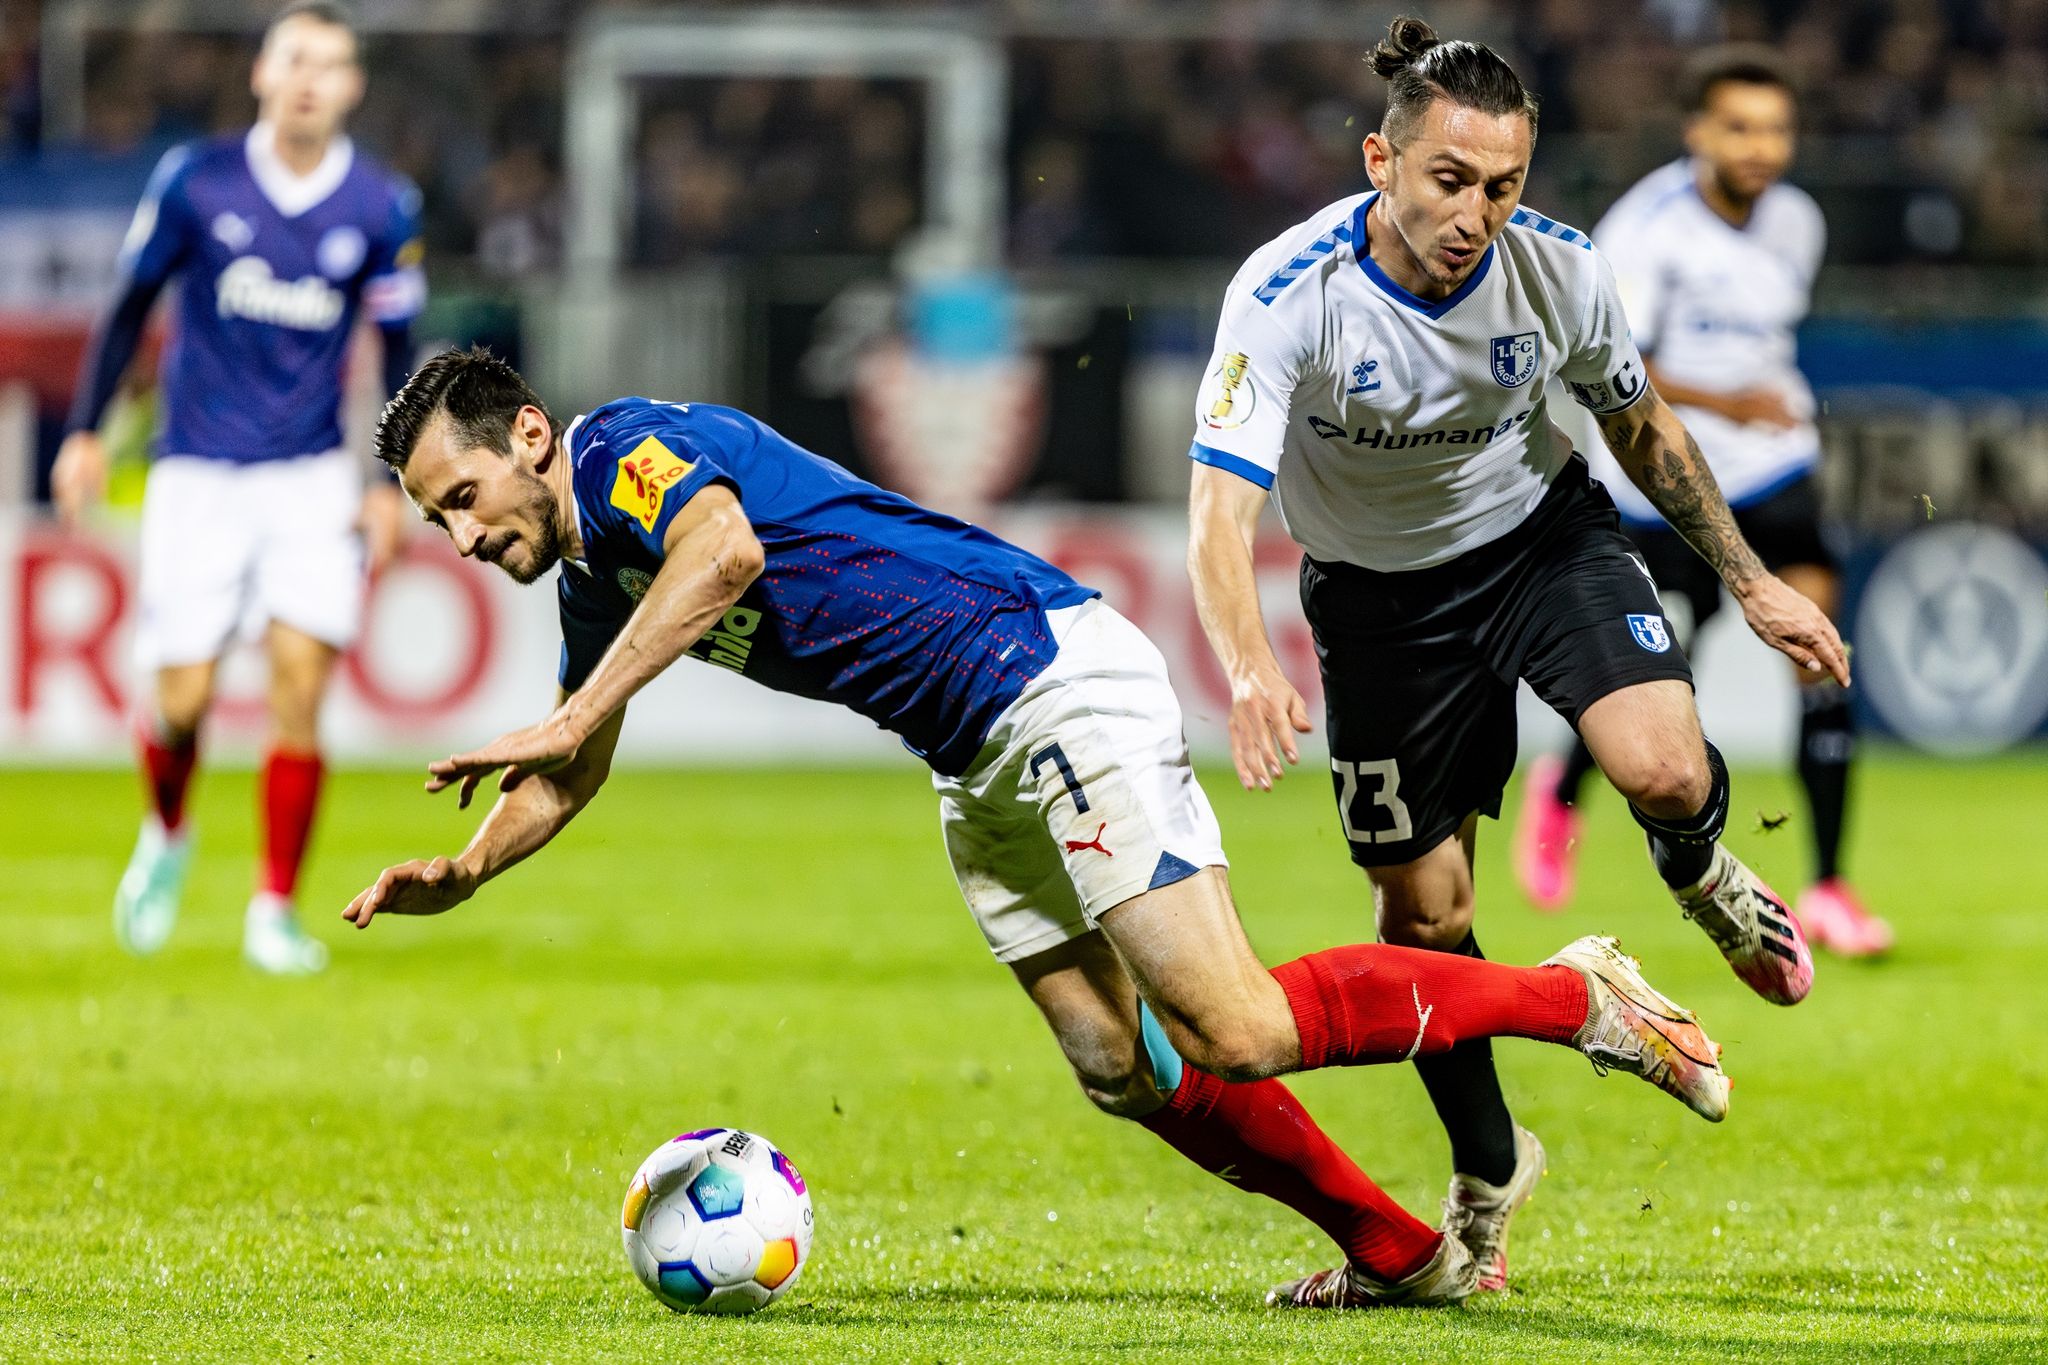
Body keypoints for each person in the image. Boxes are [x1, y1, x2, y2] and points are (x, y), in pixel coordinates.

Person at [343, 346, 1733, 1310]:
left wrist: (571, 705)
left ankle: (1575, 993)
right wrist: (468, 868)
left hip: (1041, 673)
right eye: (435, 520)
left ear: (529, 438)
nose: (461, 537)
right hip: (972, 748)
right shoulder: (593, 575)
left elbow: (727, 553)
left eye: (461, 498)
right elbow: (568, 762)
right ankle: (1397, 1253)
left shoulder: (637, 449)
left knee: (1231, 1027)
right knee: (1116, 1064)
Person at [1183, 18, 1849, 1293]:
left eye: (1501, 186)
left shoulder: (1557, 270)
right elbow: (1219, 509)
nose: (1474, 212)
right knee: (1425, 926)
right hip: (1377, 610)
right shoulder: (1286, 291)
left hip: (1539, 545)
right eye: (1447, 180)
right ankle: (1485, 1186)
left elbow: (1639, 427)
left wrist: (1749, 580)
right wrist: (1251, 664)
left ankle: (1702, 874)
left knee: (1659, 768)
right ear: (1380, 160)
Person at [52, 1, 425, 974]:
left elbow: (399, 352)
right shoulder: (196, 181)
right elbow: (130, 307)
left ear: (352, 87)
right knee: (183, 698)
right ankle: (168, 832)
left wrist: (391, 481)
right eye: (293, 58)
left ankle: (272, 907)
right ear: (262, 73)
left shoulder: (382, 205)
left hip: (307, 478)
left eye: (330, 64)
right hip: (197, 473)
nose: (309, 77)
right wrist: (88, 430)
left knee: (301, 688)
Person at [1514, 48, 1892, 956]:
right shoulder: (1646, 232)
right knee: (1659, 661)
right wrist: (1730, 403)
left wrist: (1766, 413)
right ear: (1697, 131)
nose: (1761, 147)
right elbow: (1618, 375)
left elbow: (1766, 348)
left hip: (1774, 466)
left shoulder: (1797, 222)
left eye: (1776, 129)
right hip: (1668, 477)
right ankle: (1561, 797)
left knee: (1821, 652)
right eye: (1740, 126)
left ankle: (1831, 886)